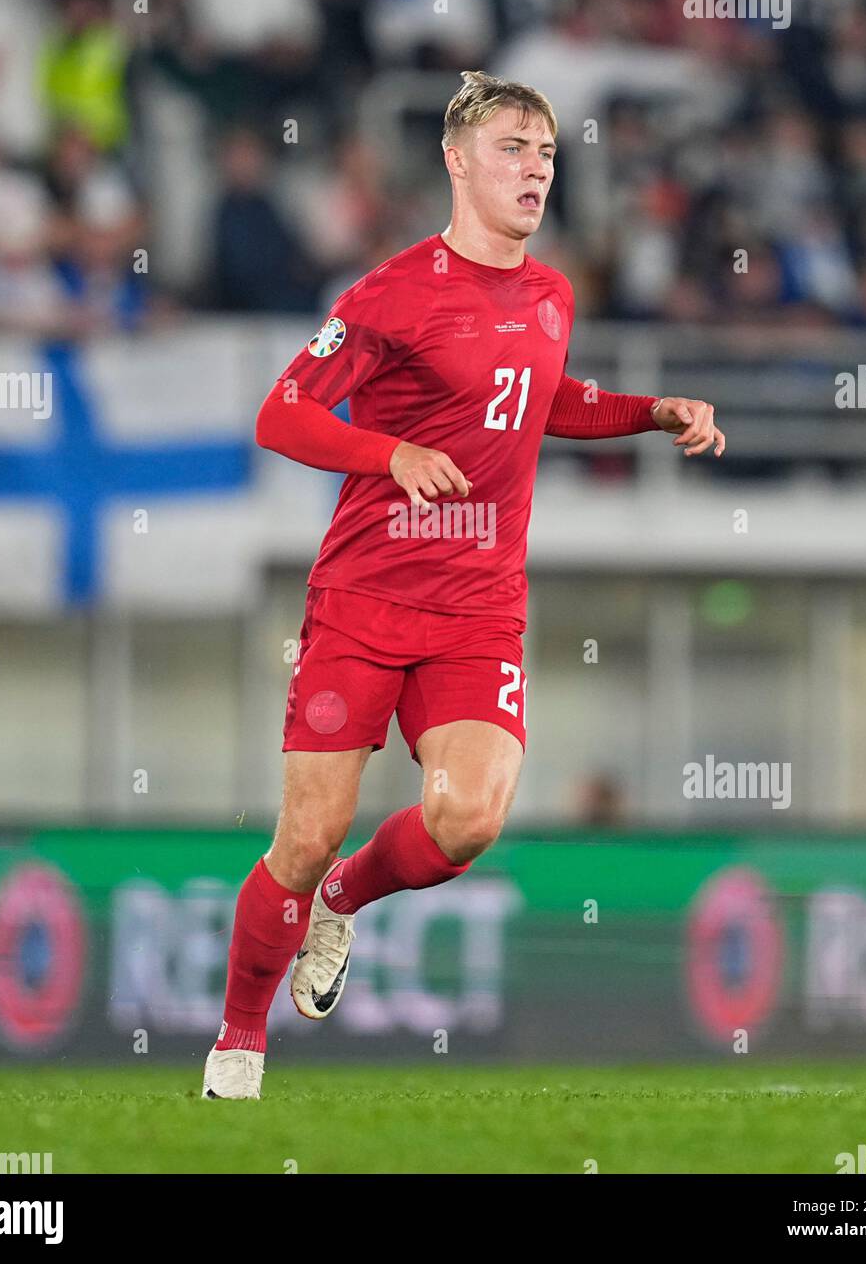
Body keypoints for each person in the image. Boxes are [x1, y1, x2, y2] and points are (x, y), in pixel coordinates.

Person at [202, 70, 724, 1099]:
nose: (534, 171)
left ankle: (344, 902)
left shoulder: (550, 292)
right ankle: (237, 1042)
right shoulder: (391, 291)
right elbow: (281, 414)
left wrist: (647, 410)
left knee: (469, 820)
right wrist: (386, 454)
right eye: (512, 150)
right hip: (360, 599)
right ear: (455, 160)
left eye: (546, 155)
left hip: (477, 607)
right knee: (302, 839)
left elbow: (540, 402)